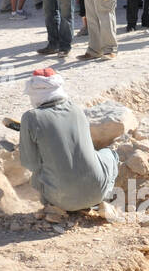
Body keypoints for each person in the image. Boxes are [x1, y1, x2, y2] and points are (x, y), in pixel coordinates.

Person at [19, 68, 120, 209]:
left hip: (61, 200)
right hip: (97, 193)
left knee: (38, 175)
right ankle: (103, 200)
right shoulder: (76, 108)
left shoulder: (31, 117)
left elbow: (30, 163)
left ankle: (54, 206)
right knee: (111, 154)